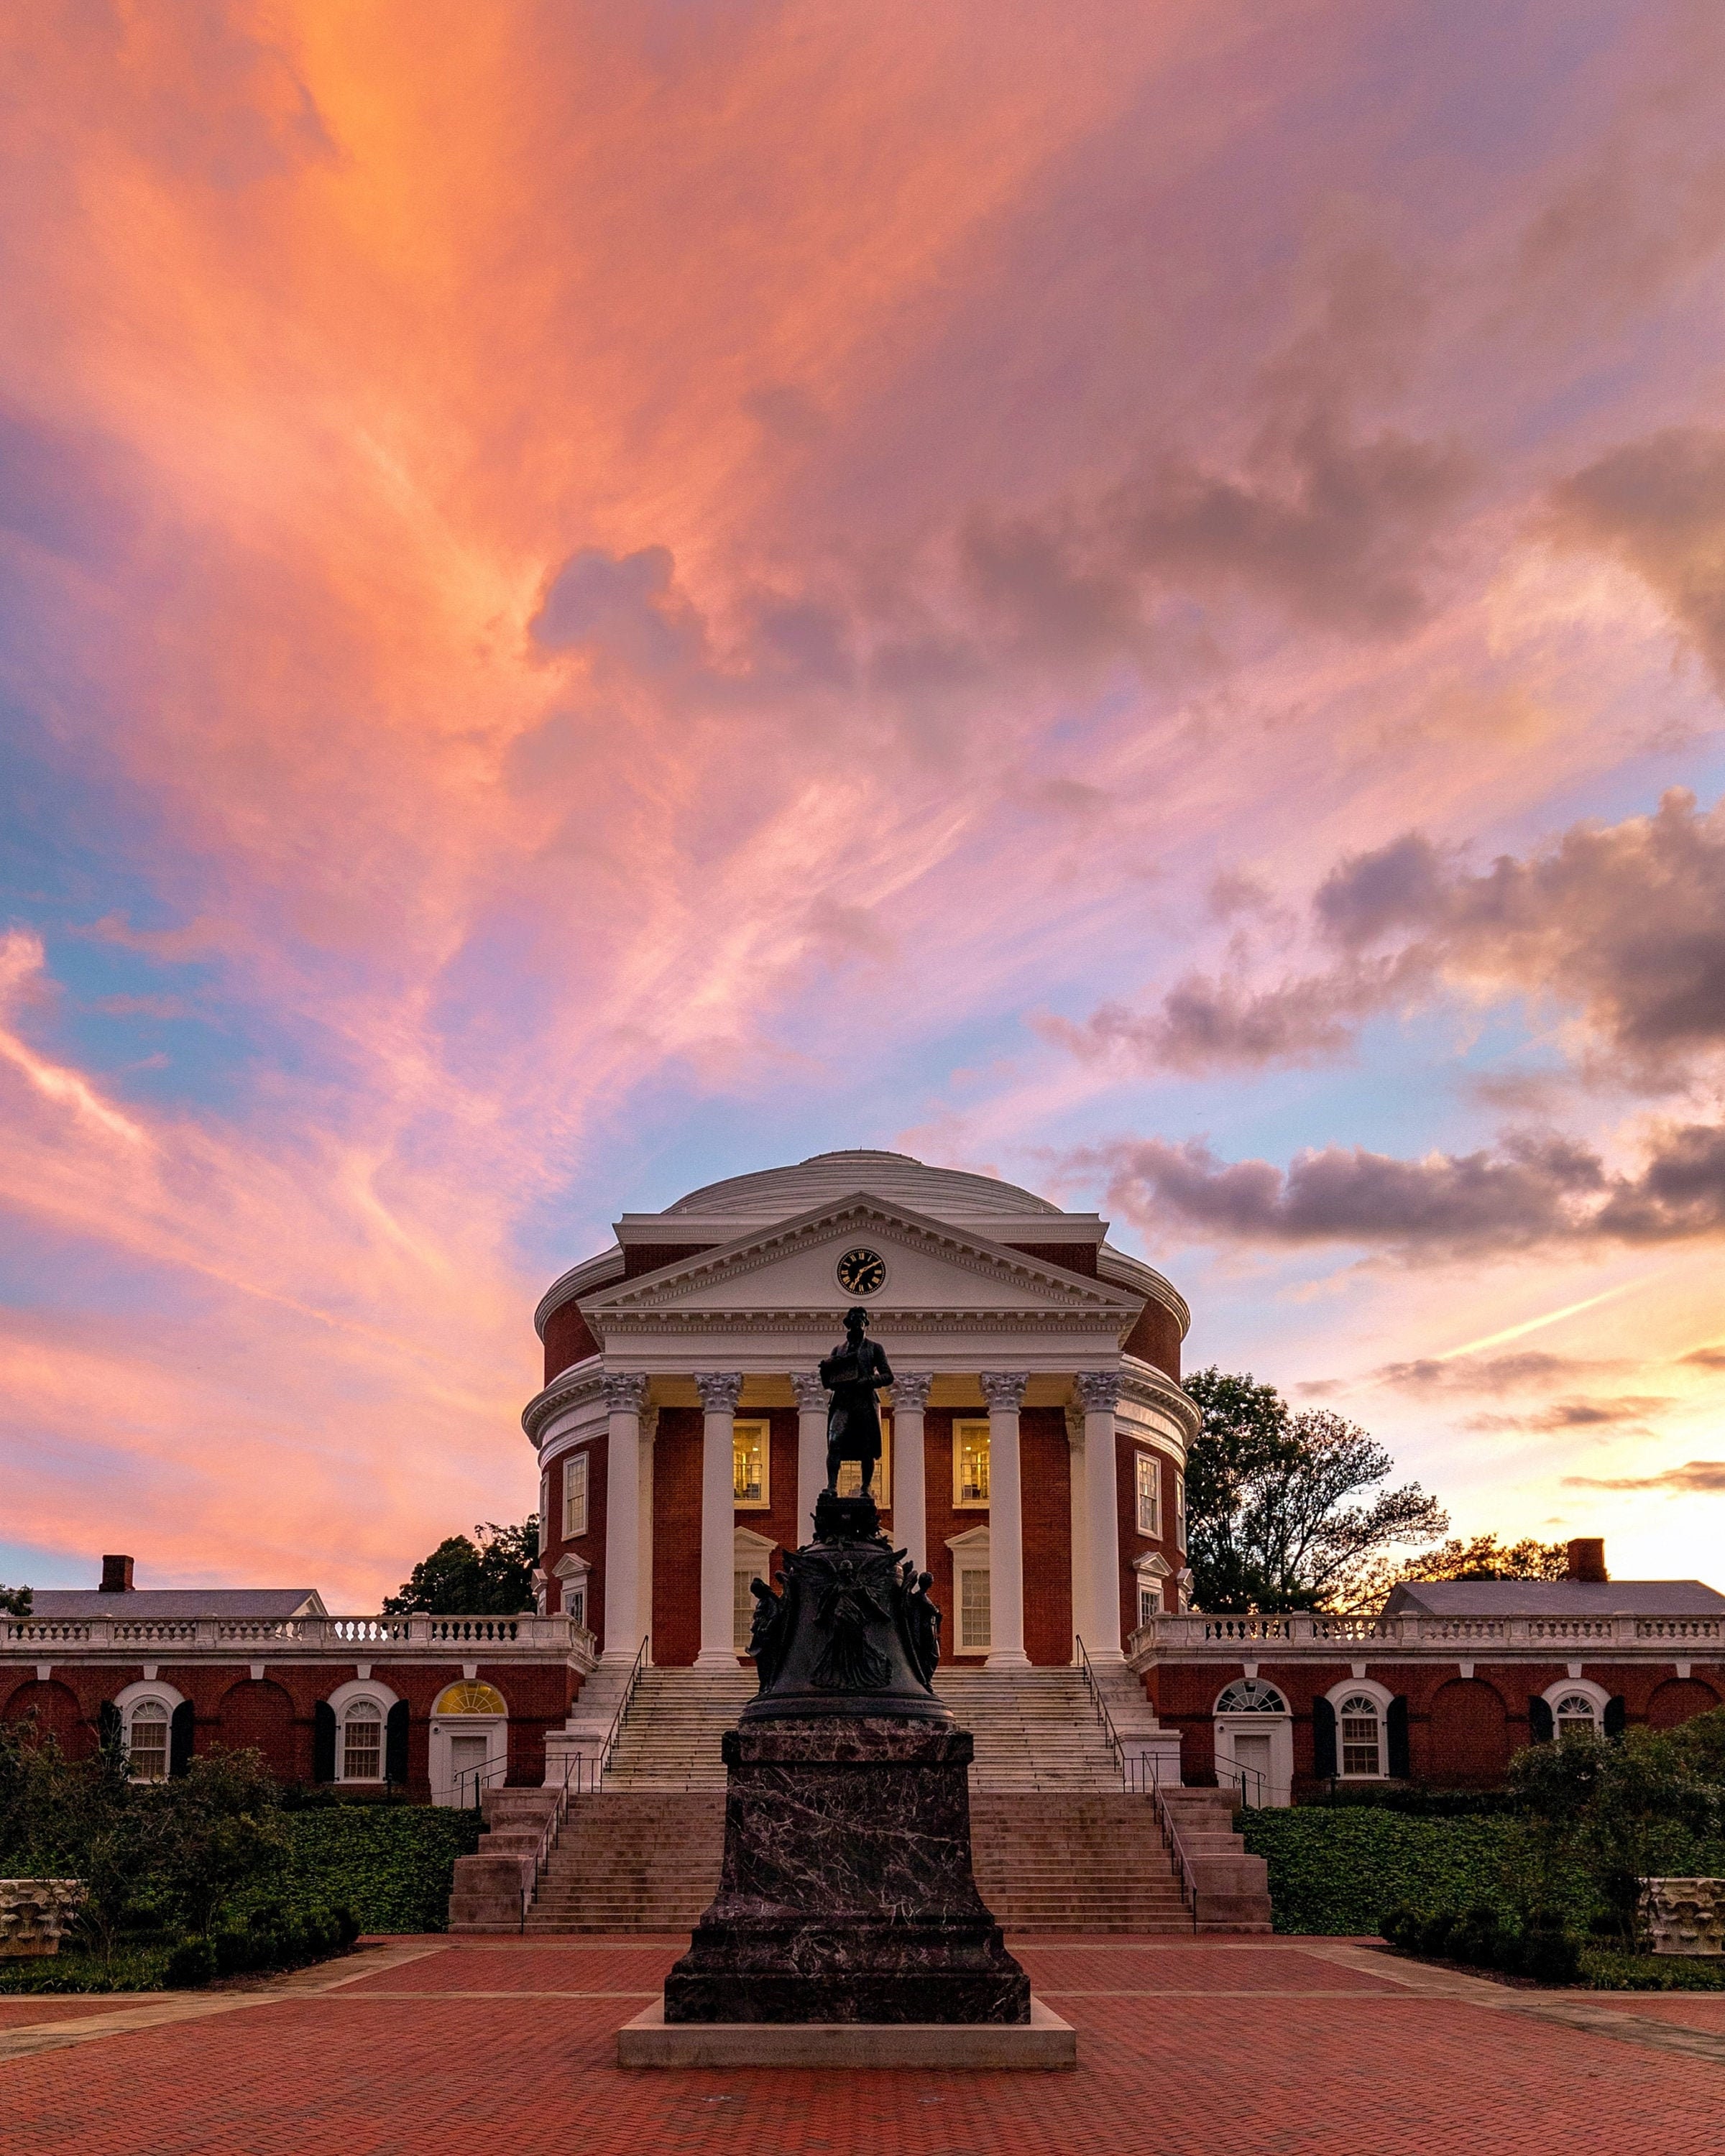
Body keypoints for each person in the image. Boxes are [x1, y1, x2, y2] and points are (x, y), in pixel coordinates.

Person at [818, 1305, 893, 1496]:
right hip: (843, 1402)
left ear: (866, 1323)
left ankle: (865, 1488)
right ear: (848, 1324)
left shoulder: (874, 1348)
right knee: (834, 1440)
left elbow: (887, 1376)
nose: (858, 1324)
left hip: (864, 1402)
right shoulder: (838, 1350)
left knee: (866, 1447)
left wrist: (868, 1380)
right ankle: (832, 1487)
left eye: (861, 1320)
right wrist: (827, 1369)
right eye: (854, 1320)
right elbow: (830, 1379)